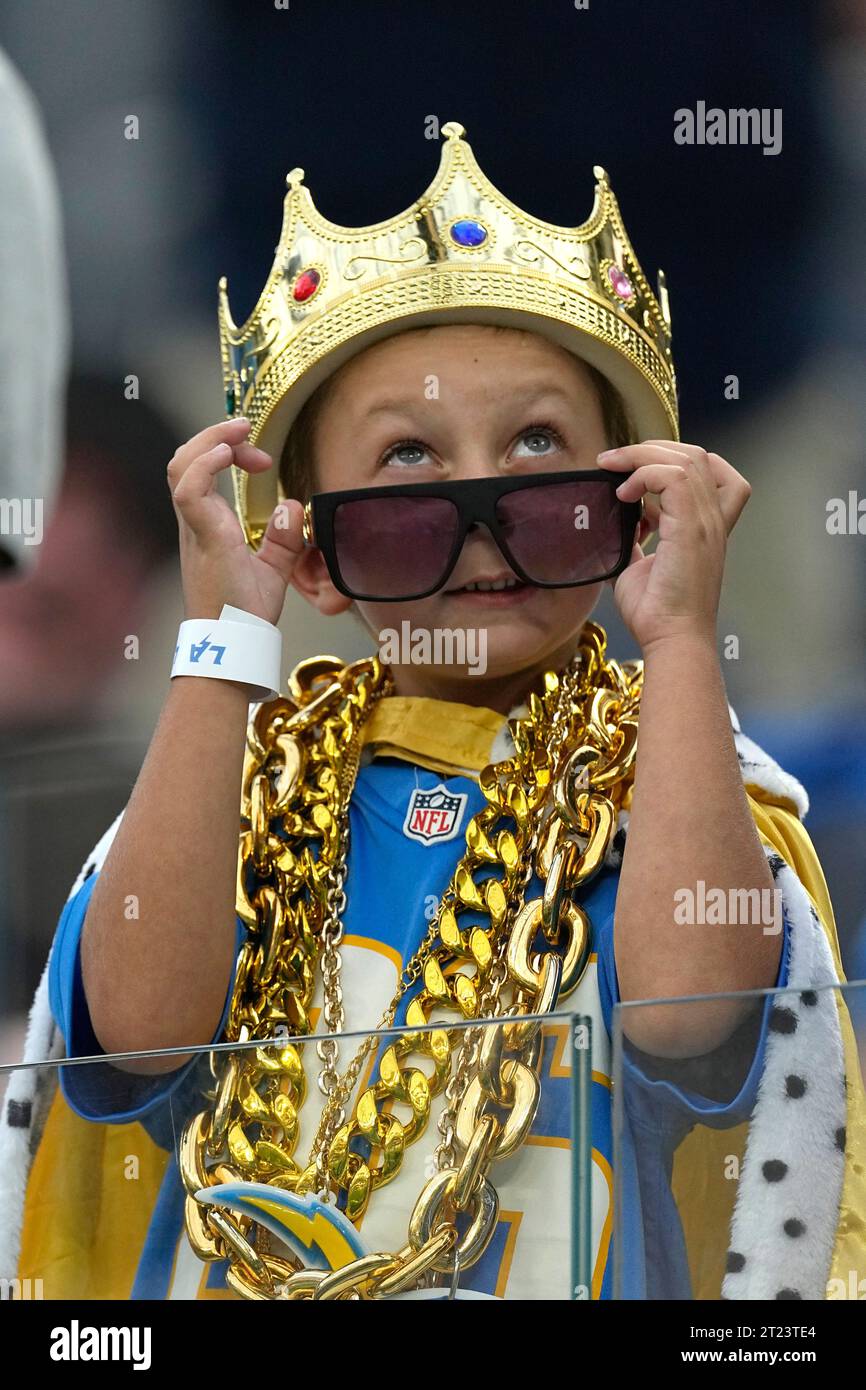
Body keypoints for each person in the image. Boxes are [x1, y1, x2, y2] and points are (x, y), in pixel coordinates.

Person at [6, 122, 866, 1301]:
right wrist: (225, 642)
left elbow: (690, 1013)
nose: (481, 519)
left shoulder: (688, 785)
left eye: (538, 448)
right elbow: (143, 1037)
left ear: (625, 505)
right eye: (409, 462)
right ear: (313, 557)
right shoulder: (235, 785)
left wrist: (675, 638)